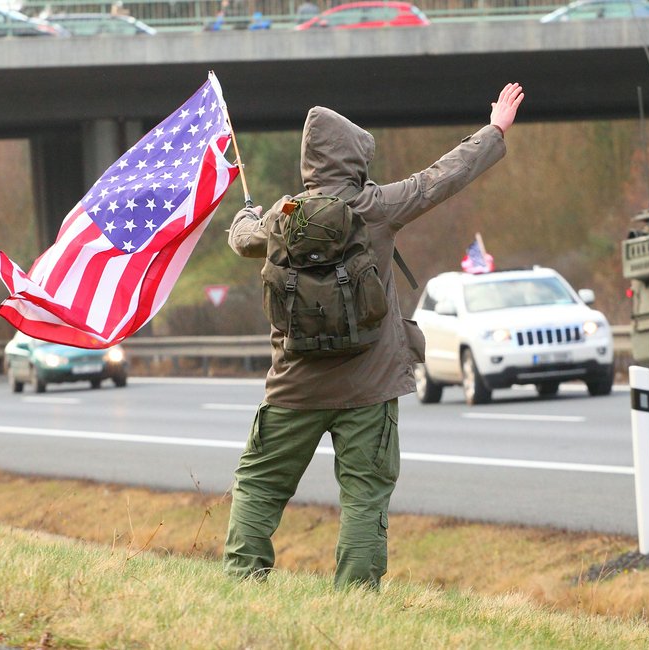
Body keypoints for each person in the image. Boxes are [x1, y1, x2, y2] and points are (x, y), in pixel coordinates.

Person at [223, 83, 526, 590]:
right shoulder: (377, 207)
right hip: (370, 384)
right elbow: (439, 179)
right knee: (364, 496)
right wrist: (494, 131)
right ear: (353, 162)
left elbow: (241, 239)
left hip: (294, 387)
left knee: (259, 485)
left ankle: (242, 585)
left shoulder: (282, 219)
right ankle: (356, 602)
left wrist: (249, 215)